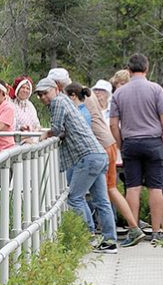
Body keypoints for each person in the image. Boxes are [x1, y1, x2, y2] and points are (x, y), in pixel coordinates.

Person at [36, 77, 118, 253]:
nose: (43, 97)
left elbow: (57, 129)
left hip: (88, 156)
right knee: (101, 200)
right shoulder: (66, 101)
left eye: (45, 92)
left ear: (56, 89)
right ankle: (109, 241)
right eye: (40, 94)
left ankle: (87, 236)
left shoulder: (58, 101)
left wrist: (44, 135)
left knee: (74, 198)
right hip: (99, 154)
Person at [66, 82, 146, 247]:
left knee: (107, 191)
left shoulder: (78, 104)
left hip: (100, 146)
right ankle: (118, 233)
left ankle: (131, 228)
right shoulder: (86, 97)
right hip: (106, 145)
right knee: (106, 193)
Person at [109, 53, 163, 242]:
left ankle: (134, 229)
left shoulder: (119, 93)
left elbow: (112, 123)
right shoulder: (156, 89)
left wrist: (120, 143)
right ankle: (157, 231)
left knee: (132, 187)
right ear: (147, 68)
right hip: (153, 141)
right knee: (155, 187)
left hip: (131, 142)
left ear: (128, 70)